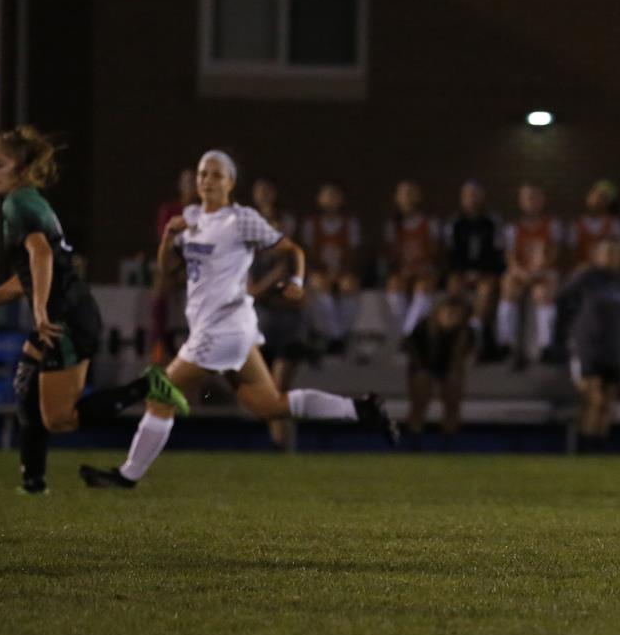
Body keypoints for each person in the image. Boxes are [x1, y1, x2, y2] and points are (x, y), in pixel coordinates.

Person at [79, 150, 397, 489]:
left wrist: (297, 282)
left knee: (161, 395)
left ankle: (128, 475)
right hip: (221, 328)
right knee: (269, 405)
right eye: (203, 174)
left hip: (224, 328)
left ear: (231, 182)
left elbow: (293, 250)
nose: (207, 181)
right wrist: (169, 237)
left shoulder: (241, 219)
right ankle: (361, 409)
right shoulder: (191, 217)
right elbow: (169, 270)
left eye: (216, 175)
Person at [0, 126, 175, 494]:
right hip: (65, 312)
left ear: (21, 167)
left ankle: (148, 386)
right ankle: (33, 483)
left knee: (60, 419)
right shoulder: (28, 199)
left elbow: (41, 254)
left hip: (65, 318)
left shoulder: (17, 203)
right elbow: (28, 273)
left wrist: (39, 312)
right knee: (24, 389)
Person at [249, 176, 312, 448]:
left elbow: (297, 293)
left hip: (289, 327)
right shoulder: (249, 252)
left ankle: (283, 443)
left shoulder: (293, 253)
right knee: (270, 392)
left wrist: (275, 294)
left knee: (279, 384)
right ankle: (283, 442)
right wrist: (270, 283)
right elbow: (250, 290)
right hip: (262, 327)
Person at [559, 237, 620, 449]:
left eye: (616, 253)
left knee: (608, 401)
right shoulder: (586, 278)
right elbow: (563, 301)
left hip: (615, 349)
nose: (612, 257)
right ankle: (585, 445)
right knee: (593, 399)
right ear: (597, 256)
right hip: (589, 348)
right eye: (608, 252)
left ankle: (600, 446)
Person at [495, 182, 562, 367]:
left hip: (544, 271)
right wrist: (521, 272)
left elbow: (554, 253)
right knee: (508, 287)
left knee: (543, 292)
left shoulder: (552, 225)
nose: (531, 202)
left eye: (535, 198)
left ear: (542, 201)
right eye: (527, 198)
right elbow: (510, 257)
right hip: (520, 271)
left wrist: (539, 270)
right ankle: (505, 343)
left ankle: (546, 345)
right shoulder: (513, 227)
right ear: (520, 202)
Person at [301, 182, 362, 355]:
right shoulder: (311, 223)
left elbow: (353, 253)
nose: (331, 200)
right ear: (319, 200)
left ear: (341, 200)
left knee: (349, 285)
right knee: (320, 284)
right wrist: (321, 272)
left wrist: (341, 272)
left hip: (342, 271)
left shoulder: (350, 223)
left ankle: (341, 334)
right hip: (320, 271)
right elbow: (309, 254)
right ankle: (334, 337)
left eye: (335, 196)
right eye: (327, 195)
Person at [404, 293, 475, 441]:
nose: (451, 317)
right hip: (423, 366)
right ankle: (413, 439)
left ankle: (449, 440)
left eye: (456, 314)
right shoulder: (423, 328)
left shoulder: (466, 332)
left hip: (449, 369)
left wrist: (453, 374)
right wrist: (423, 371)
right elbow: (414, 354)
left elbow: (460, 361)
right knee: (420, 398)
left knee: (453, 399)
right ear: (438, 312)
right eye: (448, 312)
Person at [444, 180, 504, 351]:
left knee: (485, 290)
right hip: (462, 271)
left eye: (475, 195)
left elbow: (498, 252)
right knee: (454, 287)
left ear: (482, 197)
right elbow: (451, 253)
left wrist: (481, 271)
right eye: (468, 195)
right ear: (462, 198)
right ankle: (455, 333)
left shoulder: (492, 221)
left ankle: (475, 331)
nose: (472, 199)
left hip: (486, 271)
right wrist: (464, 272)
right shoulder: (455, 222)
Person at [148, 167, 199, 360]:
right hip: (175, 265)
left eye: (194, 181)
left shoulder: (205, 211)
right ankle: (159, 342)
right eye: (187, 182)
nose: (191, 186)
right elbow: (166, 240)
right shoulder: (170, 210)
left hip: (197, 267)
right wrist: (178, 268)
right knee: (160, 280)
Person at [382, 179, 443, 338]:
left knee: (423, 287)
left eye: (411, 193)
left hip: (425, 269)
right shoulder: (393, 225)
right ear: (396, 198)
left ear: (418, 197)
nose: (407, 197)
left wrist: (418, 268)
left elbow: (434, 253)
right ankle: (407, 335)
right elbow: (391, 255)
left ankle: (408, 335)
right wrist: (403, 270)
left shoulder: (429, 222)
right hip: (402, 270)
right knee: (394, 285)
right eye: (403, 194)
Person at [568, 179, 620, 275]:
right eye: (596, 195)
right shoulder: (576, 225)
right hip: (582, 273)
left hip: (607, 273)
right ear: (589, 197)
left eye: (603, 197)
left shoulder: (615, 225)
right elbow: (571, 255)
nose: (598, 200)